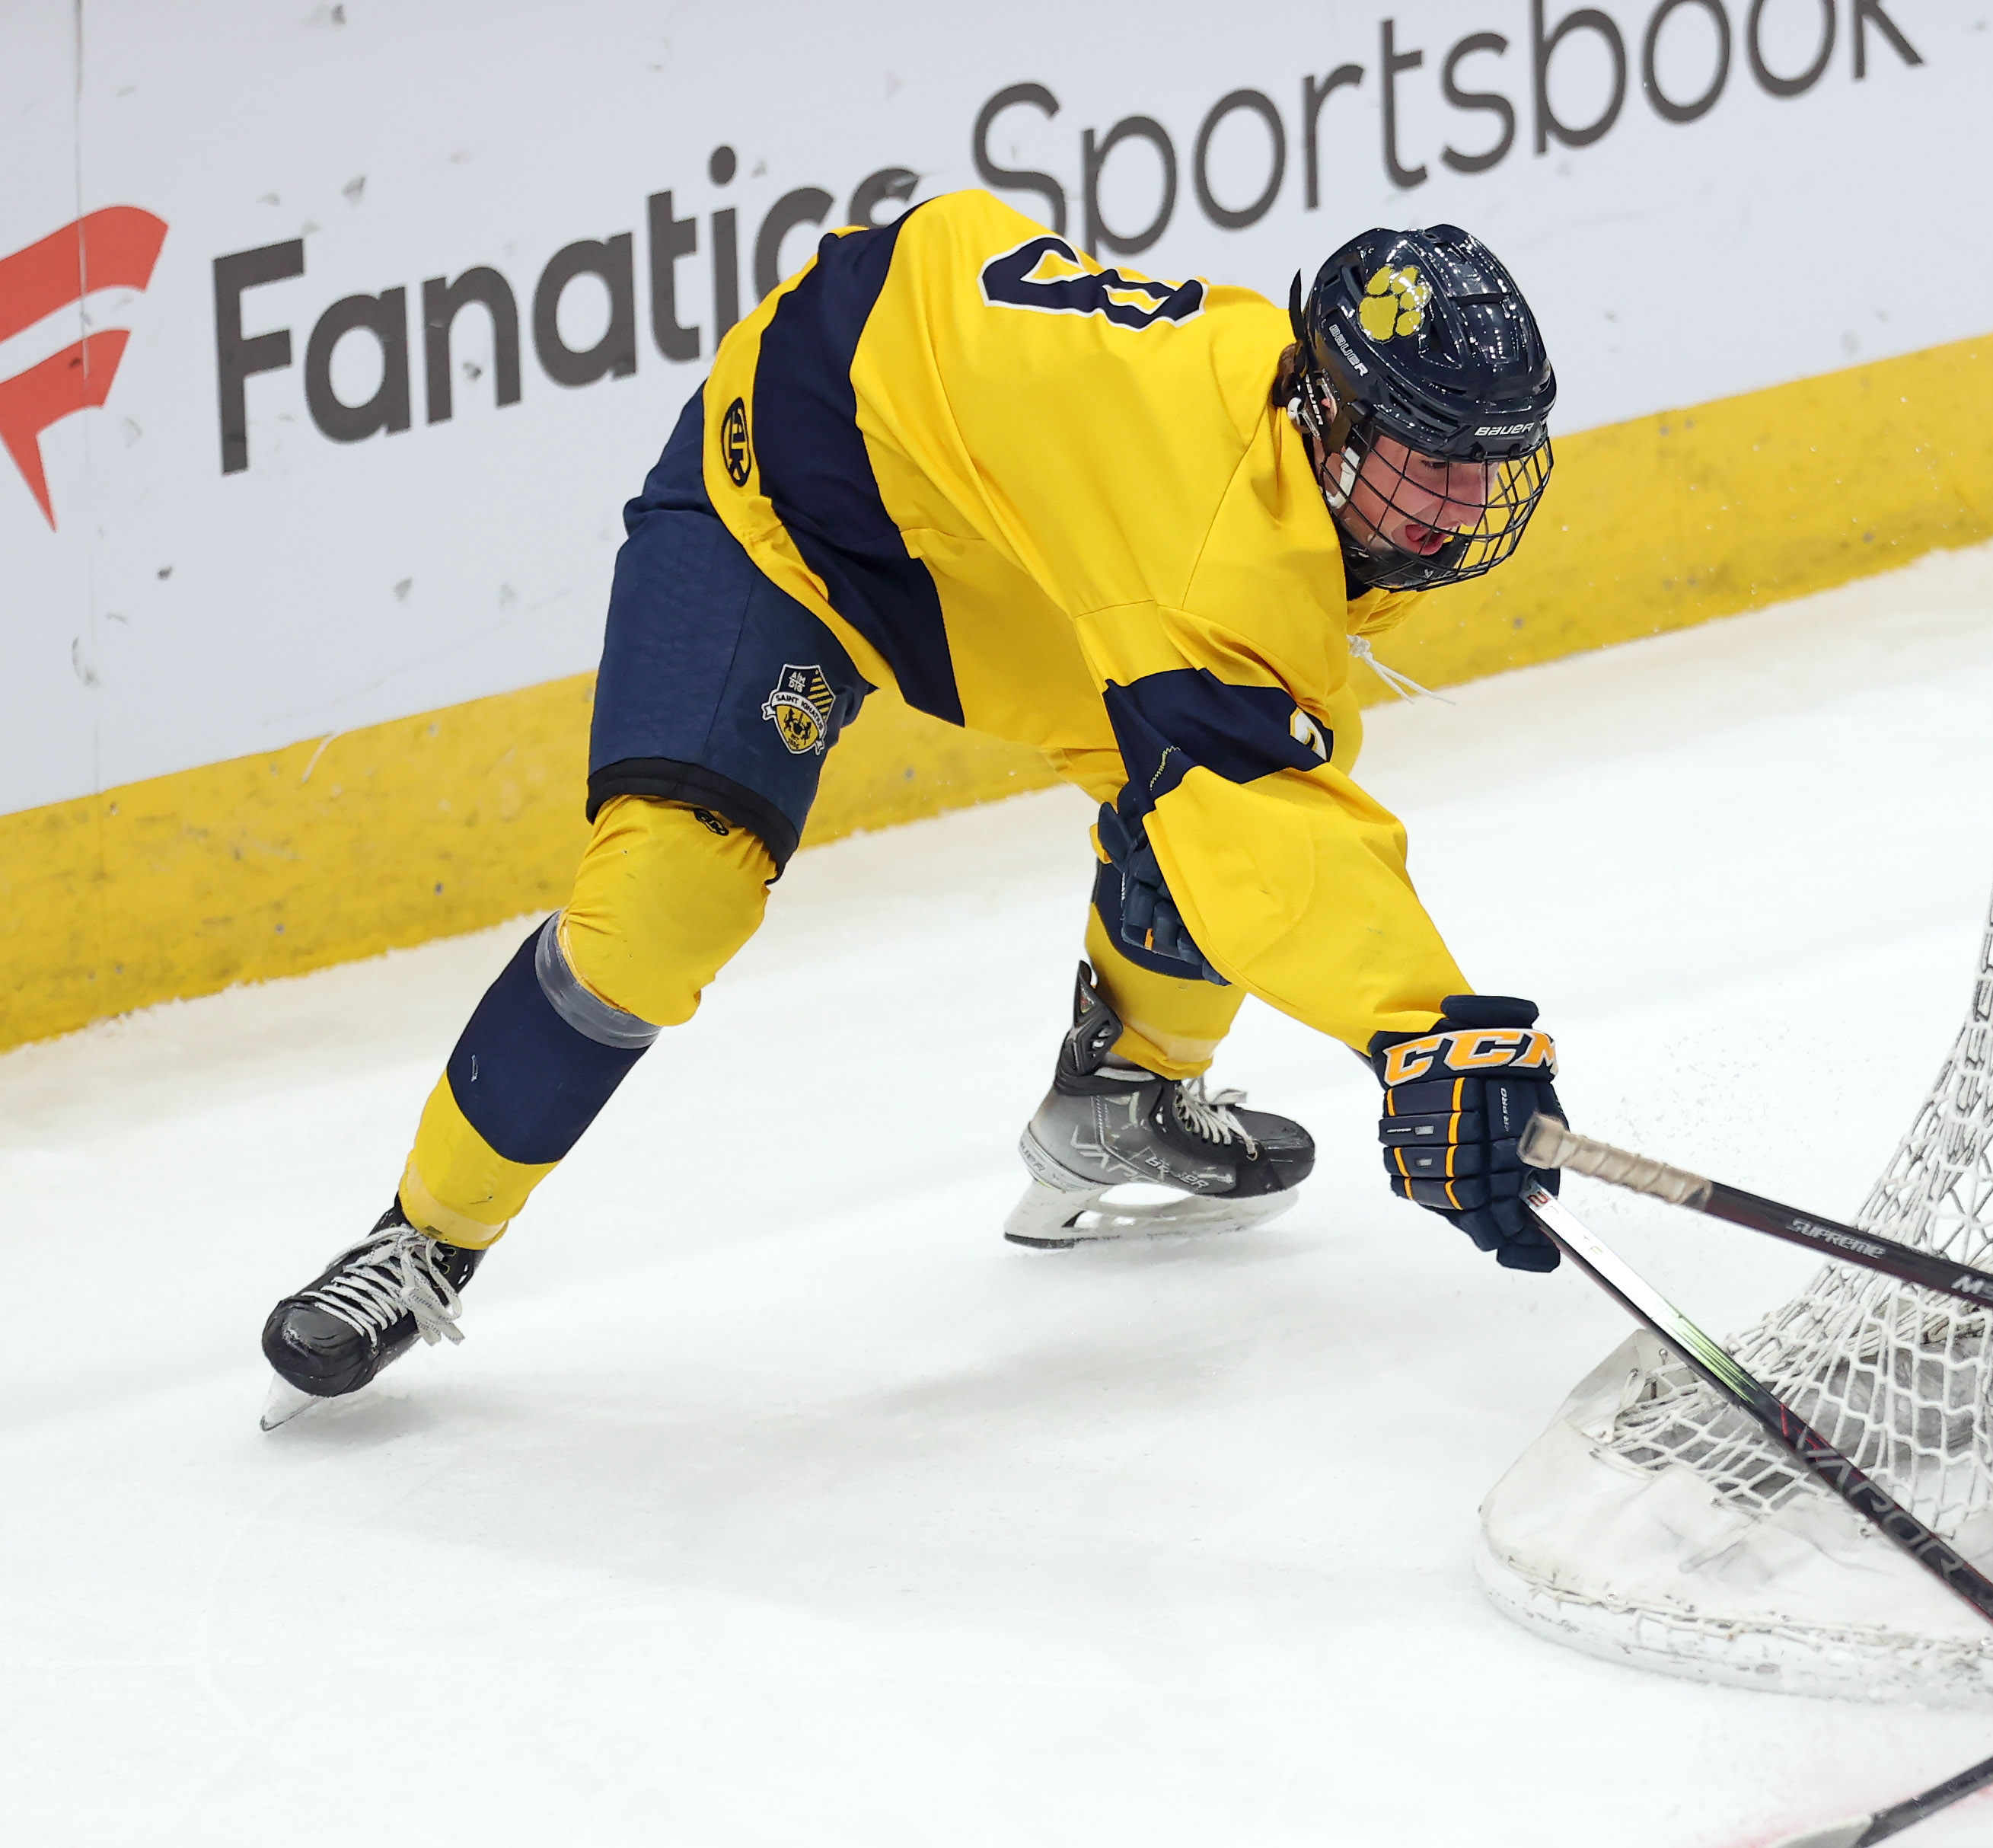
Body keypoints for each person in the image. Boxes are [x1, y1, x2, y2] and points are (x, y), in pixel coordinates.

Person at [257, 192, 1576, 1421]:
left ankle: (1123, 1097)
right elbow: (1260, 818)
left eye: (1490, 462)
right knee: (665, 905)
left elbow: (1258, 797)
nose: (1464, 506)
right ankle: (423, 1236)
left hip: (988, 537)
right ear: (1328, 411)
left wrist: (1420, 1039)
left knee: (1184, 785)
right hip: (791, 502)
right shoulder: (1204, 525)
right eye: (1432, 457)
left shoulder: (1307, 481)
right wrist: (1425, 1037)